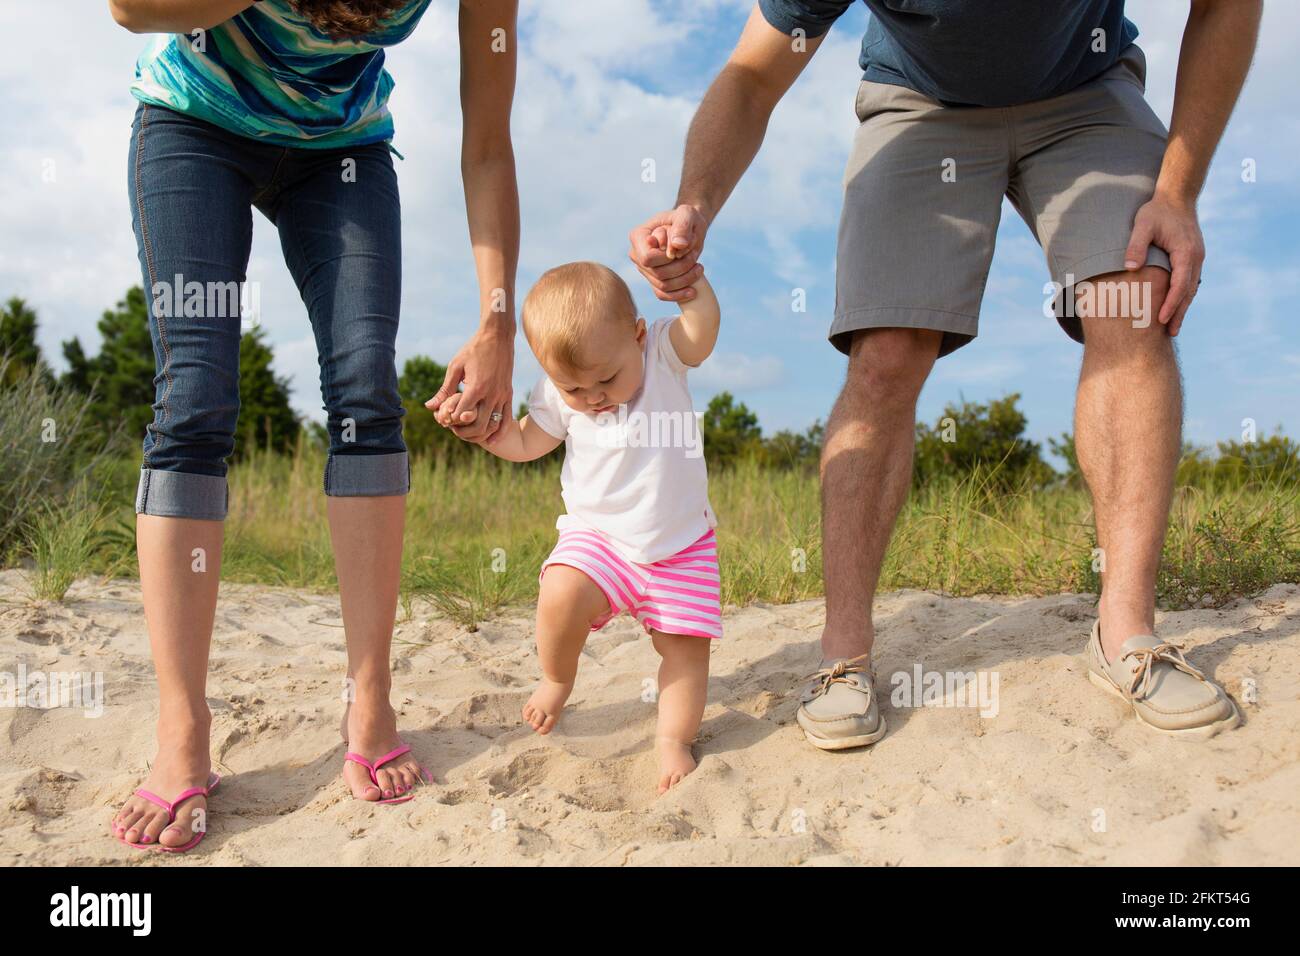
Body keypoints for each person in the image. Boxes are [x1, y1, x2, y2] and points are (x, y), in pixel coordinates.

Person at [629, 0, 1260, 749]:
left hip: (1085, 91)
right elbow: (752, 75)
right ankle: (843, 657)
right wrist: (694, 203)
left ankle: (1127, 633)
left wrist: (1176, 193)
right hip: (919, 104)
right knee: (886, 351)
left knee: (1131, 305)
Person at [106, 0, 520, 850]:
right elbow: (128, 8)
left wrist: (498, 318)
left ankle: (370, 697)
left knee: (369, 395)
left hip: (342, 149)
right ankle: (183, 727)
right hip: (195, 121)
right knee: (196, 402)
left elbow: (486, 141)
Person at [437, 261, 722, 793]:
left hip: (680, 545)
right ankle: (557, 678)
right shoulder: (556, 395)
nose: (593, 396)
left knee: (686, 652)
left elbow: (702, 327)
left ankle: (672, 739)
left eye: (606, 378)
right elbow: (524, 444)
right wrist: (481, 433)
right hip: (600, 540)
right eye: (573, 387)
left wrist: (688, 280)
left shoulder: (661, 351)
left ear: (637, 335)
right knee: (559, 591)